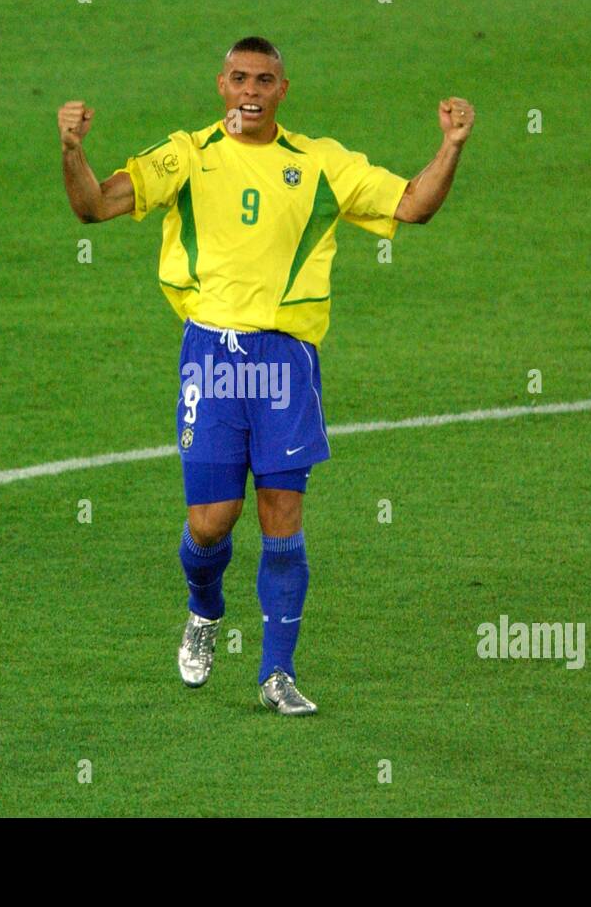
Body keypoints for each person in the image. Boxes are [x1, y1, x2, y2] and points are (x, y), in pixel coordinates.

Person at [58, 36, 474, 715]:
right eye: (241, 78)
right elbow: (94, 206)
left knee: (282, 517)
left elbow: (413, 205)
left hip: (287, 363)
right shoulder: (186, 155)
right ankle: (204, 609)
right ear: (221, 84)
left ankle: (276, 674)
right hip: (212, 357)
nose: (252, 91)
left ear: (283, 89)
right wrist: (73, 151)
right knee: (212, 522)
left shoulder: (320, 162)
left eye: (266, 80)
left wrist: (451, 146)